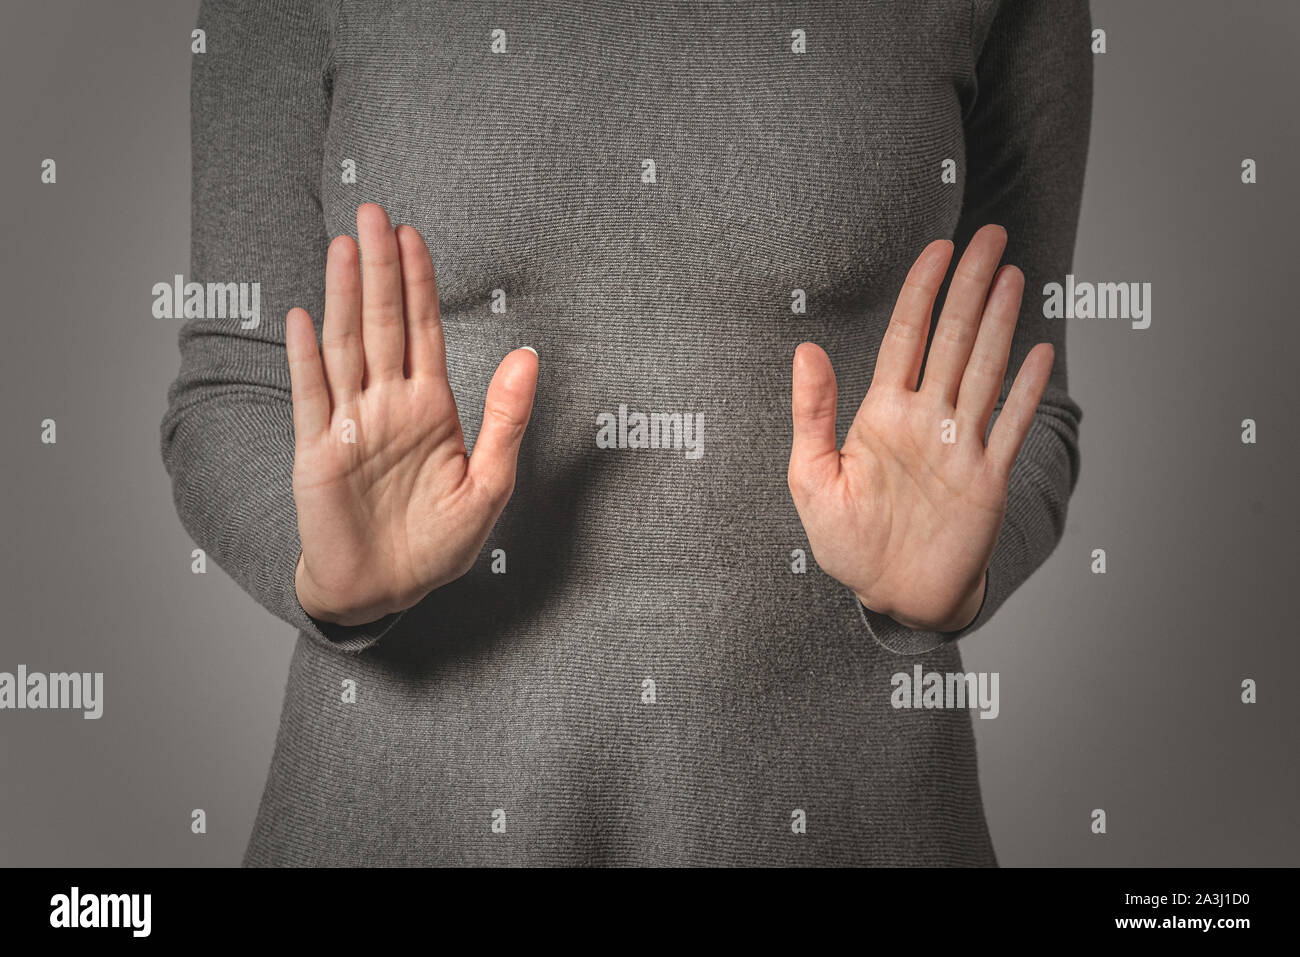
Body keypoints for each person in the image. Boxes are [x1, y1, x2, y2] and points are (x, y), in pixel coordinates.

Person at [161, 0, 1090, 866]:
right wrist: (325, 573)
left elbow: (1023, 405)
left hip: (855, 819)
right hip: (393, 821)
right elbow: (231, 384)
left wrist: (953, 580)